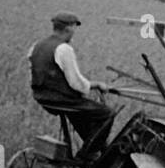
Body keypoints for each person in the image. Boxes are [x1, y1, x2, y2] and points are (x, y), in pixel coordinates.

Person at [27, 11, 116, 160]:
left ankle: (95, 151)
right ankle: (87, 154)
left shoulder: (37, 46)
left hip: (42, 97)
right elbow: (76, 83)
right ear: (68, 29)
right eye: (74, 28)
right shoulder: (63, 49)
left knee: (80, 114)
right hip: (62, 99)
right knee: (107, 113)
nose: (74, 32)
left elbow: (34, 72)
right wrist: (97, 85)